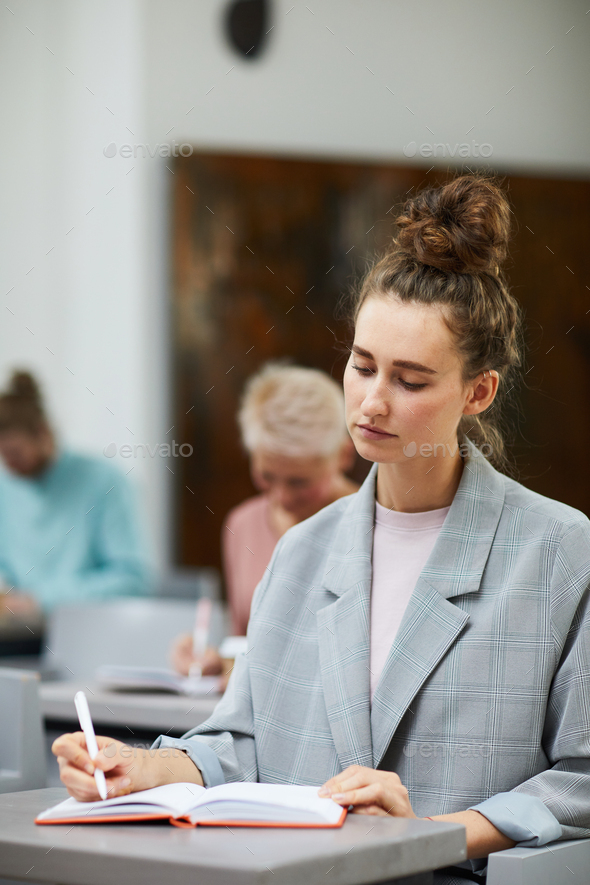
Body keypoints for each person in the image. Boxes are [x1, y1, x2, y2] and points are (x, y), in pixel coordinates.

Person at [53, 175, 590, 883]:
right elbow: (240, 743)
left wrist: (433, 833)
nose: (371, 401)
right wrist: (140, 765)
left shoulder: (557, 551)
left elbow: (581, 778)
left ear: (478, 390)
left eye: (411, 380)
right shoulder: (303, 551)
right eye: (362, 365)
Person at [170, 363, 359, 676]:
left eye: (299, 482)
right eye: (266, 476)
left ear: (343, 455)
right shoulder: (242, 524)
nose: (281, 497)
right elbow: (244, 643)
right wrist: (214, 662)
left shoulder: (370, 521)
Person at [0, 371, 151, 616]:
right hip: (19, 631)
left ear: (43, 433)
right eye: (2, 456)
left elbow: (132, 579)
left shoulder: (105, 482)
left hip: (89, 629)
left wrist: (40, 600)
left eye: (15, 453)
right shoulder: (6, 486)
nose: (9, 466)